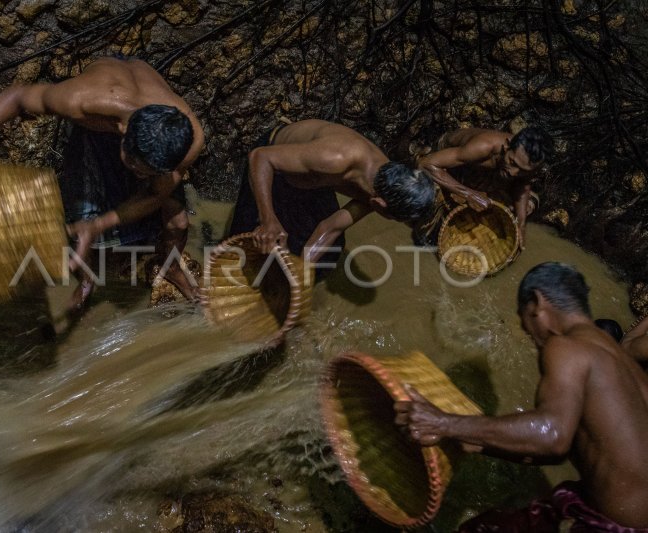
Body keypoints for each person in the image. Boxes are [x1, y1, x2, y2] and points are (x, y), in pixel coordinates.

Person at [395, 262, 648, 531]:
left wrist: (442, 422)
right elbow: (566, 449)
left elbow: (552, 437)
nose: (528, 333)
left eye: (523, 318)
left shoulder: (565, 345)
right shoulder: (622, 359)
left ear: (538, 304)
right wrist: (476, 443)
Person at [0, 56, 205, 305]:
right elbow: (19, 96)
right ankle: (86, 278)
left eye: (150, 172)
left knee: (178, 221)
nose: (142, 177)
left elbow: (155, 195)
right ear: (123, 133)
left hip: (148, 127)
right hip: (98, 123)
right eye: (136, 167)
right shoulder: (82, 102)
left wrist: (99, 225)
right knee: (82, 212)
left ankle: (170, 267)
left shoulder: (189, 140)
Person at [228, 119, 435, 268]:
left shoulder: (386, 185)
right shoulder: (336, 158)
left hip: (314, 183)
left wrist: (302, 275)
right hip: (273, 169)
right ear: (380, 205)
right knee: (246, 248)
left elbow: (330, 228)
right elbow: (260, 157)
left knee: (327, 256)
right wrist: (268, 219)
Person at [416, 126, 554, 249]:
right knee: (431, 190)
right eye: (512, 162)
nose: (514, 172)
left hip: (484, 173)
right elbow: (426, 164)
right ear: (506, 146)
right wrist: (468, 194)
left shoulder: (525, 163)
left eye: (522, 170)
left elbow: (522, 183)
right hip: (451, 163)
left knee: (530, 203)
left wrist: (521, 224)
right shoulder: (483, 146)